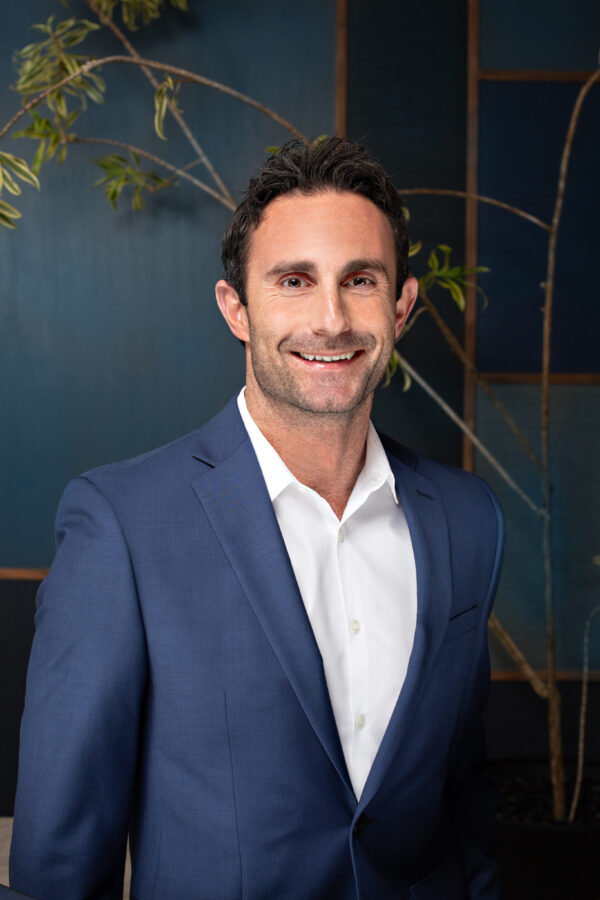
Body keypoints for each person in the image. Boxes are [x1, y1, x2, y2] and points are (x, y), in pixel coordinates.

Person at [10, 137, 504, 900]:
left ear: (402, 306)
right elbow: (60, 865)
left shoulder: (469, 519)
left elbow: (463, 807)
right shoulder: (122, 527)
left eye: (360, 280)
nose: (331, 319)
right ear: (236, 308)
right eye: (294, 281)